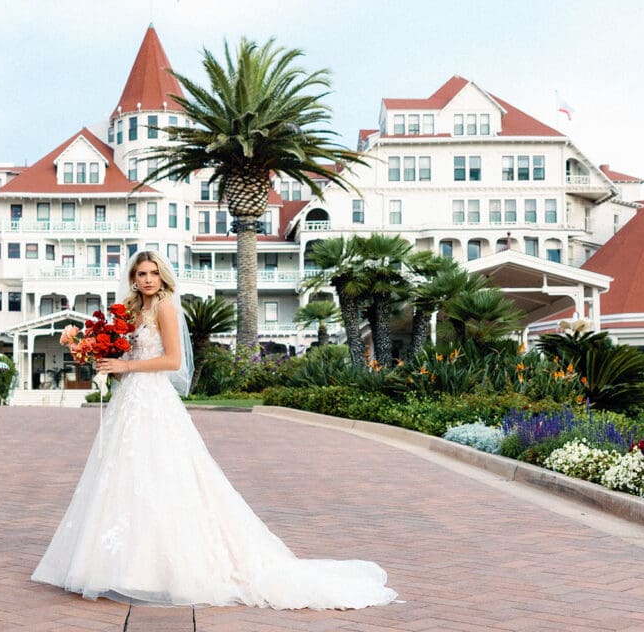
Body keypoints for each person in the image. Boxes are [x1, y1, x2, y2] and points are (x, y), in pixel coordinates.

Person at [30, 250, 397, 609]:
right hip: (129, 400)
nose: (148, 279)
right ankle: (122, 566)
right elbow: (128, 355)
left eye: (153, 273)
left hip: (153, 399)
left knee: (164, 475)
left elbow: (172, 360)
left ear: (162, 277)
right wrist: (102, 356)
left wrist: (126, 367)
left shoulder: (166, 308)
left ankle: (163, 571)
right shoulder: (130, 313)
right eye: (141, 274)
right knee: (124, 474)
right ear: (133, 279)